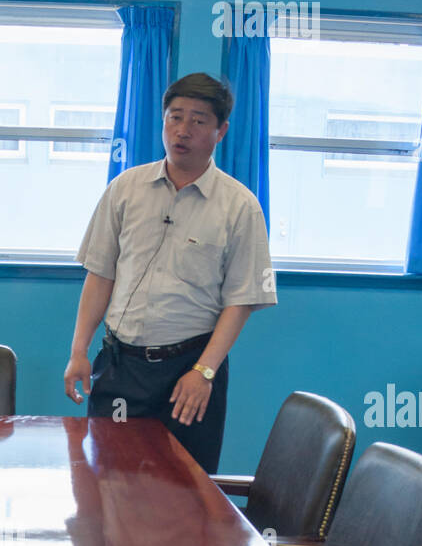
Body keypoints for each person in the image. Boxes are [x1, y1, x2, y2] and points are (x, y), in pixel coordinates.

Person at [63, 73, 276, 473]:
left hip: (189, 371)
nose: (183, 131)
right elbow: (100, 274)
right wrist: (79, 352)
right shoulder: (125, 189)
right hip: (120, 365)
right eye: (174, 117)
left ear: (220, 130)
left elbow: (241, 301)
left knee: (184, 497)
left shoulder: (240, 207)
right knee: (106, 487)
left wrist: (204, 372)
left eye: (198, 121)